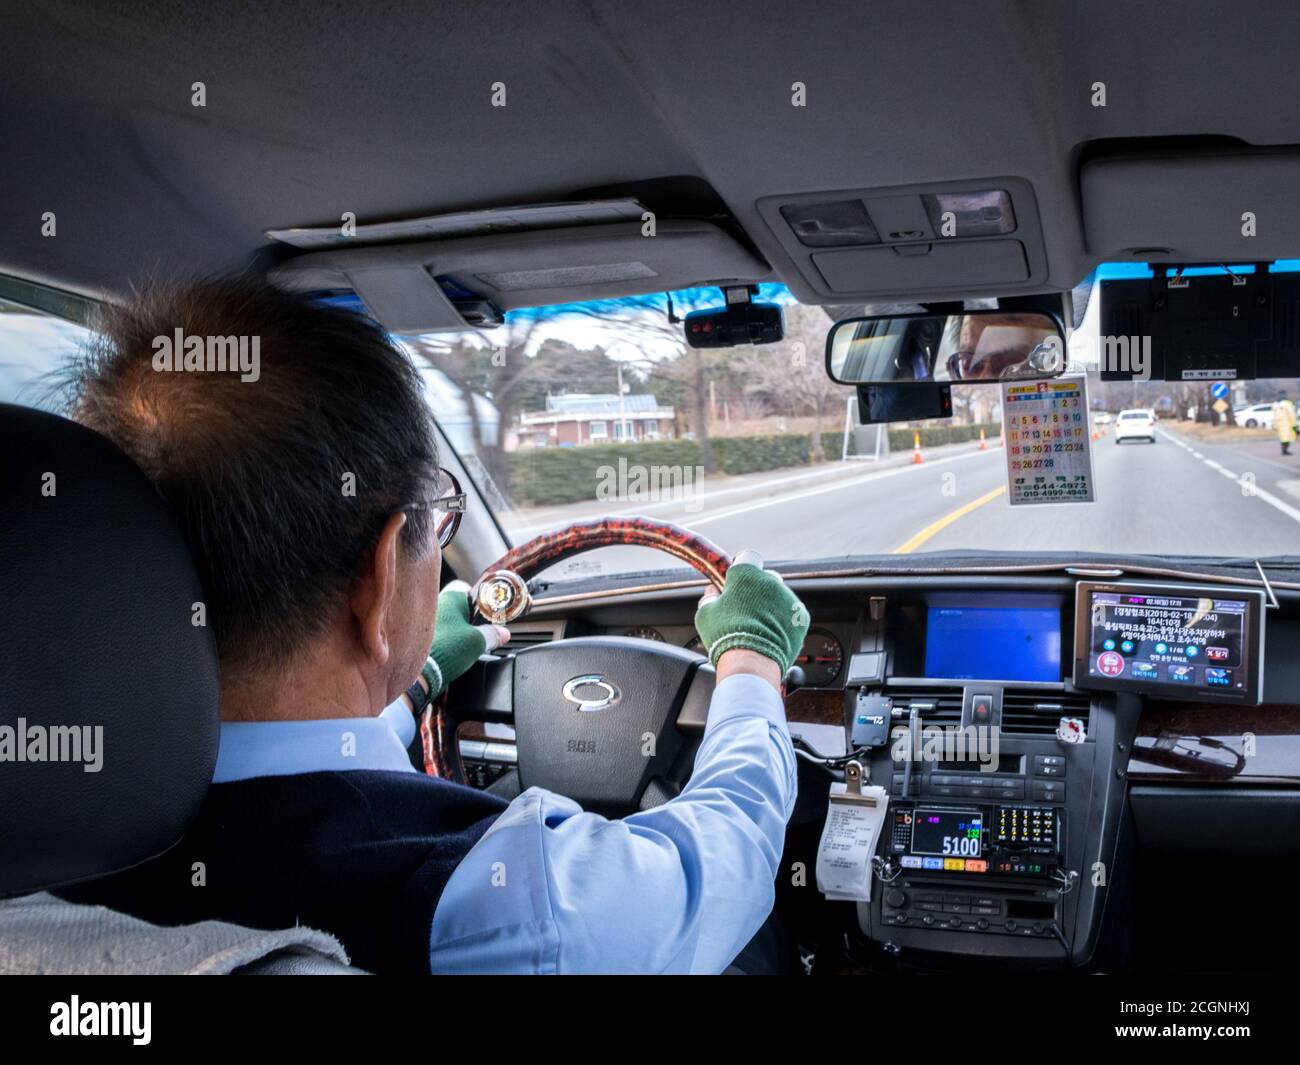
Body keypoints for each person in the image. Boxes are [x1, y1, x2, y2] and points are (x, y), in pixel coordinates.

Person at [56, 275, 809, 975]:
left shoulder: (43, 829)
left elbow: (284, 763)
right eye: (438, 523)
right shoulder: (502, 901)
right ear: (382, 578)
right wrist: (750, 665)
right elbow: (721, 858)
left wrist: (407, 685)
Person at [1272, 389, 1297, 456]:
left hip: (1279, 424)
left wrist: (1275, 425)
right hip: (1287, 424)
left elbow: (1274, 416)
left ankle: (1284, 450)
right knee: (1288, 437)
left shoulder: (1275, 404)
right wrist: (1295, 425)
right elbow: (1292, 414)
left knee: (1283, 438)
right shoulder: (1287, 403)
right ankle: (1285, 450)